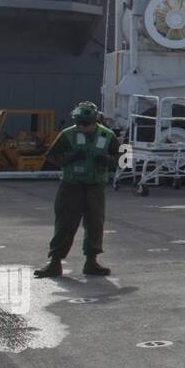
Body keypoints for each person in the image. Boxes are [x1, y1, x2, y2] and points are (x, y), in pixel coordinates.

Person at [34, 102, 120, 278]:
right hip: (71, 185)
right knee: (65, 223)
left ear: (95, 121)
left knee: (95, 223)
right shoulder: (68, 135)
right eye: (79, 123)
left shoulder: (107, 135)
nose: (82, 127)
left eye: (86, 123)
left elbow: (126, 157)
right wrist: (68, 159)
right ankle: (55, 262)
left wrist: (109, 161)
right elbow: (51, 155)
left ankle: (91, 261)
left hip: (95, 186)